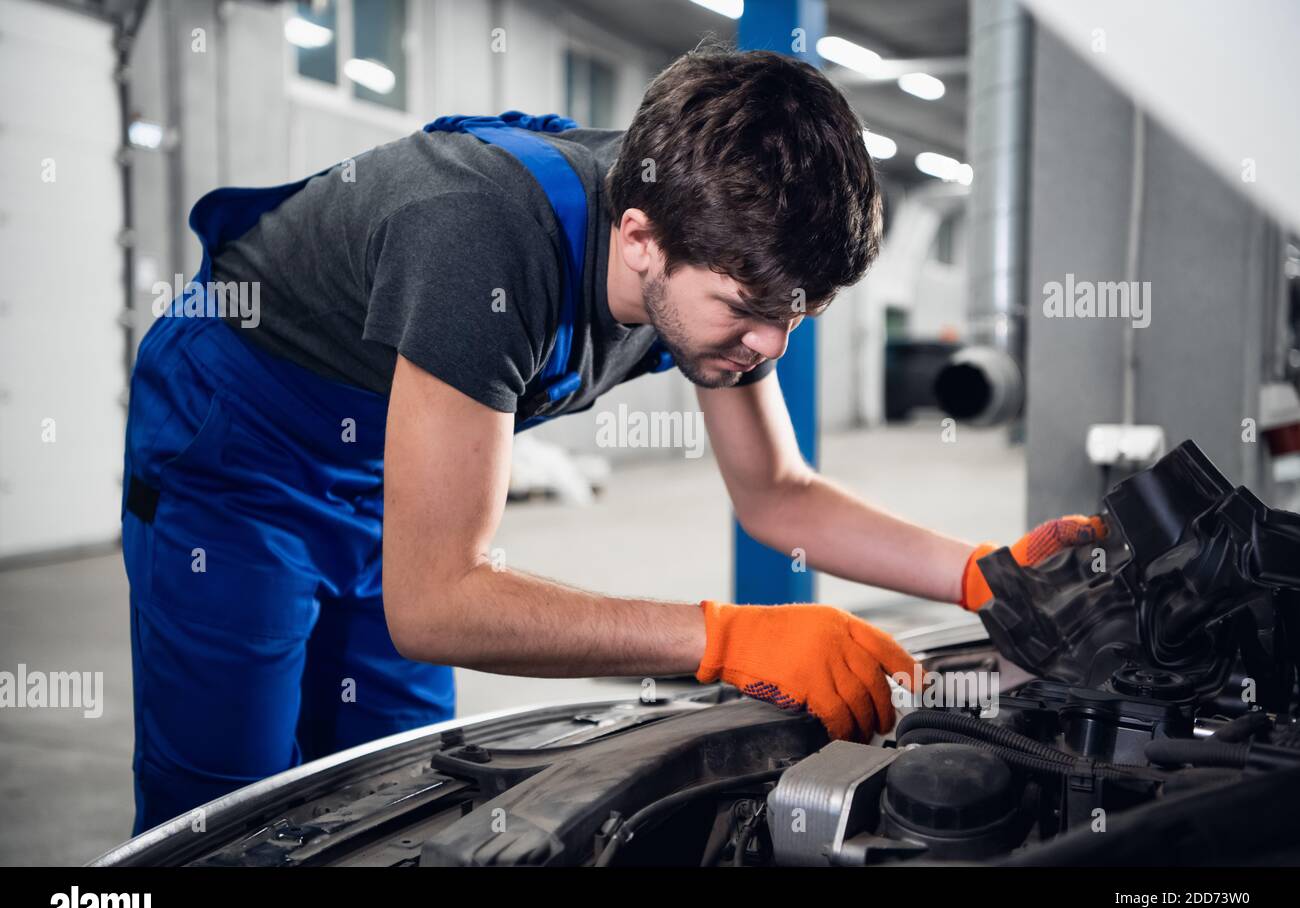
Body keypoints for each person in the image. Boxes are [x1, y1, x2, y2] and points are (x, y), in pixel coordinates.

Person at [120, 45, 1103, 835]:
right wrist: (725, 636)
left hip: (383, 466)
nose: (770, 344)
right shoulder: (476, 241)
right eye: (748, 310)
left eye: (796, 317)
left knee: (400, 789)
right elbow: (437, 600)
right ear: (638, 239)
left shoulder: (706, 241)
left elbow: (776, 492)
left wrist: (979, 571)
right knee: (225, 804)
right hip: (234, 451)